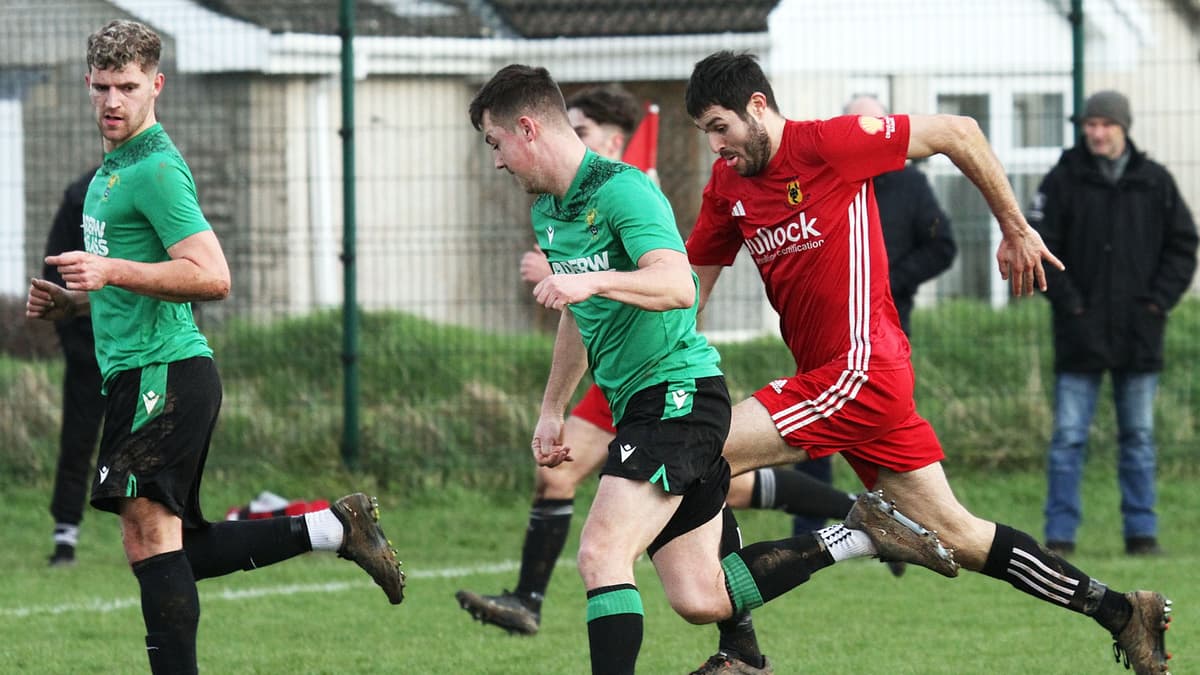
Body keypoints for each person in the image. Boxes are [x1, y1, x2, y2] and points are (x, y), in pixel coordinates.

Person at [684, 51, 1171, 674]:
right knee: (962, 536)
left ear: (757, 107)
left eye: (720, 127)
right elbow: (693, 289)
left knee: (704, 452)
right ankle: (1122, 611)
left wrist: (1015, 226)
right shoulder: (729, 187)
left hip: (860, 370)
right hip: (842, 382)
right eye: (705, 134)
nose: (715, 146)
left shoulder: (828, 144)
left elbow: (957, 131)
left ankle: (742, 649)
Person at [469, 63, 956, 675]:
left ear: (526, 128)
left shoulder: (623, 188)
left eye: (494, 142)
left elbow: (677, 284)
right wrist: (551, 408)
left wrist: (592, 278)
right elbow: (578, 312)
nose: (495, 160)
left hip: (676, 396)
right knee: (701, 598)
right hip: (642, 404)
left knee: (600, 554)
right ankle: (862, 533)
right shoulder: (551, 210)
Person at [25, 20, 405, 674]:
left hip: (164, 372)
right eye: (101, 87)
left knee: (152, 541)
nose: (112, 101)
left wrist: (110, 271)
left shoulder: (156, 170)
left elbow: (212, 275)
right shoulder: (108, 175)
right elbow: (138, 279)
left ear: (156, 85)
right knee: (159, 547)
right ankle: (332, 528)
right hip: (137, 374)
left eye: (128, 86)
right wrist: (78, 300)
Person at [1028, 90, 1197, 558]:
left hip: (1139, 333)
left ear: (1124, 127)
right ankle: (1059, 537)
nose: (1096, 133)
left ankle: (1142, 534)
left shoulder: (1155, 181)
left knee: (1139, 438)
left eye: (1106, 124)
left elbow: (1183, 247)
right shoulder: (1062, 180)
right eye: (1090, 124)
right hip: (1078, 333)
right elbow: (1037, 245)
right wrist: (1071, 307)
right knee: (1067, 439)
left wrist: (1157, 304)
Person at [792, 93, 957, 535]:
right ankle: (812, 523)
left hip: (886, 331)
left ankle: (898, 525)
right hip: (824, 335)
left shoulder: (910, 185)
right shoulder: (819, 181)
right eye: (853, 128)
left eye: (873, 128)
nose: (863, 139)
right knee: (814, 433)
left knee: (882, 431)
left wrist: (891, 281)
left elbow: (942, 246)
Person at [43, 166, 105, 567]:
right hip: (88, 350)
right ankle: (65, 536)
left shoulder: (159, 188)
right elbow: (54, 277)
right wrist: (77, 343)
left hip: (143, 349)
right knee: (78, 442)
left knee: (151, 443)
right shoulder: (79, 196)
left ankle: (170, 533)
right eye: (102, 95)